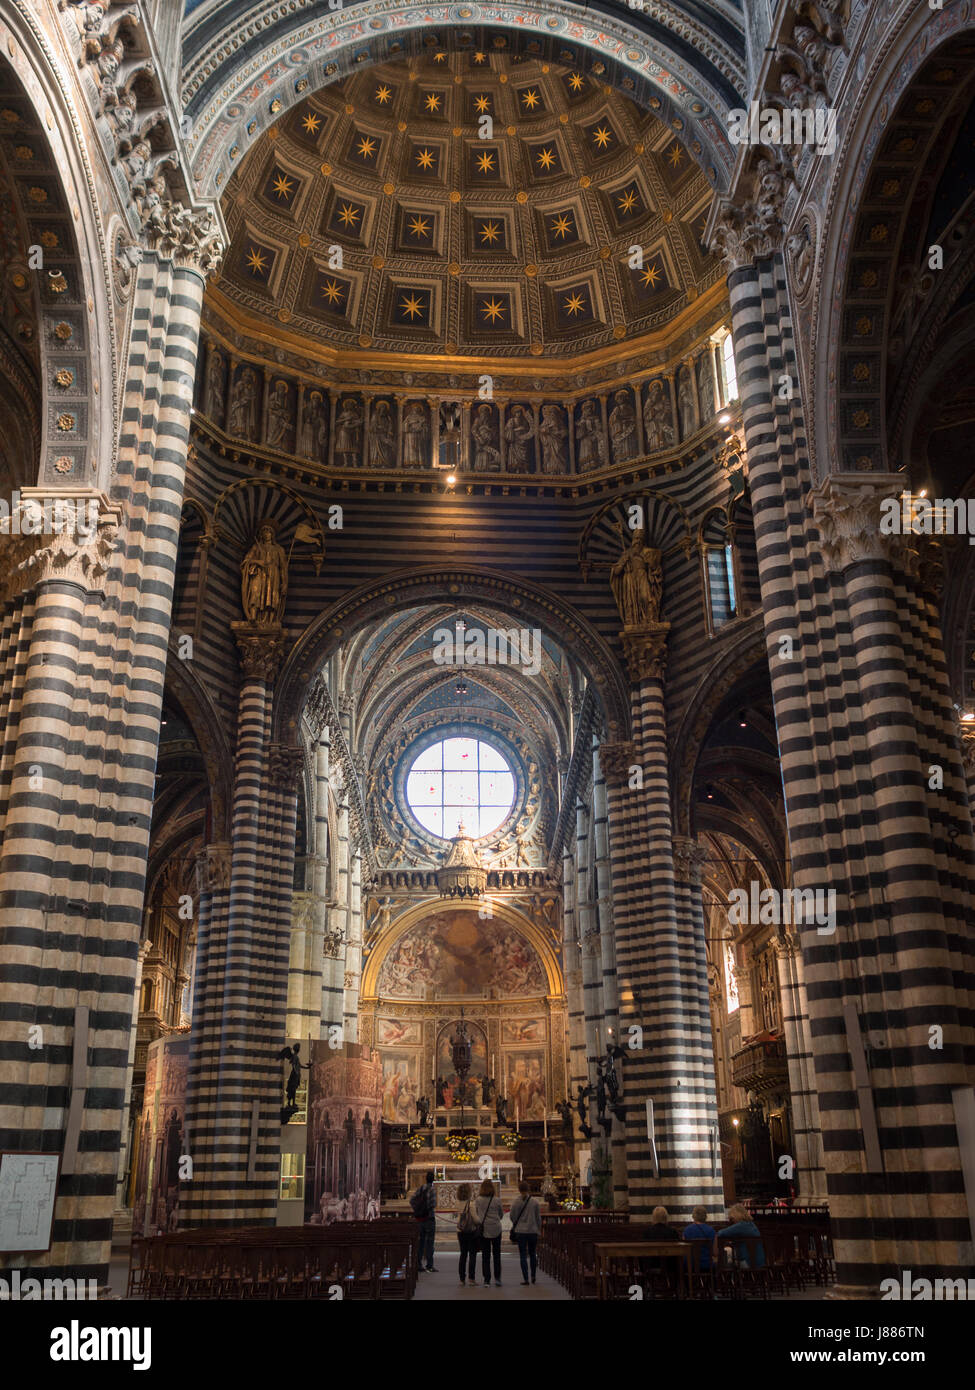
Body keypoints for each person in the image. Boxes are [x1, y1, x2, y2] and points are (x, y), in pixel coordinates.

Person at [509, 1182, 542, 1286]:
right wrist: (538, 1229)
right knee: (532, 1254)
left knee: (523, 1255)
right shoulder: (535, 1202)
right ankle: (533, 1276)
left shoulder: (516, 1202)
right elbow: (538, 1218)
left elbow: (512, 1216)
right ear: (528, 1189)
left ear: (519, 1189)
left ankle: (526, 1278)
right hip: (532, 1230)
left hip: (520, 1231)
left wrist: (517, 1224)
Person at [474, 1178, 503, 1287]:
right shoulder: (497, 1200)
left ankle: (487, 1280)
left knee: (485, 1255)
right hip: (496, 1228)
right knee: (497, 1255)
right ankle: (498, 1278)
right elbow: (501, 1214)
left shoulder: (478, 1200)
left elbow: (477, 1213)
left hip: (484, 1229)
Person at [719, 1203, 766, 1268]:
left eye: (732, 1219)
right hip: (760, 1262)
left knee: (726, 1257)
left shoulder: (740, 1226)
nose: (732, 1221)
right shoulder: (752, 1225)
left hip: (747, 1262)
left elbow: (720, 1233)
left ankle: (726, 1277)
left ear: (736, 1216)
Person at [411, 1170, 438, 1272]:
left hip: (420, 1218)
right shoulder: (432, 1190)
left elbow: (412, 1200)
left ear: (425, 1179)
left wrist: (417, 1209)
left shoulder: (421, 1188)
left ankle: (419, 1264)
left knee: (421, 1242)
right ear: (433, 1179)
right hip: (429, 1218)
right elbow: (433, 1204)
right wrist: (427, 1209)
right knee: (430, 1242)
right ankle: (429, 1265)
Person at [456, 1182, 479, 1287]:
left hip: (460, 1231)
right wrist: (481, 1222)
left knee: (463, 1254)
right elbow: (476, 1219)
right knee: (472, 1255)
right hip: (470, 1231)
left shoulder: (458, 1202)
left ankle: (461, 1279)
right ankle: (471, 1278)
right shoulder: (471, 1204)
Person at [682, 1204, 717, 1271]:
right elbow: (715, 1253)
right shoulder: (711, 1231)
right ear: (705, 1216)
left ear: (693, 1216)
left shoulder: (686, 1230)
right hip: (707, 1264)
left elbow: (684, 1252)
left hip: (690, 1265)